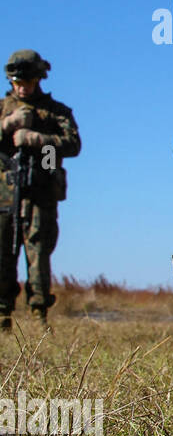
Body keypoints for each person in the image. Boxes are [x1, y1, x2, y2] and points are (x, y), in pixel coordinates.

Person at [0, 50, 81, 331]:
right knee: (2, 253)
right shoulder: (2, 108)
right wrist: (6, 127)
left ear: (39, 79)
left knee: (39, 254)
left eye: (29, 82)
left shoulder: (55, 111)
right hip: (5, 194)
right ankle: (2, 314)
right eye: (17, 82)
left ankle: (39, 313)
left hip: (41, 192)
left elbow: (72, 144)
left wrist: (39, 140)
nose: (22, 87)